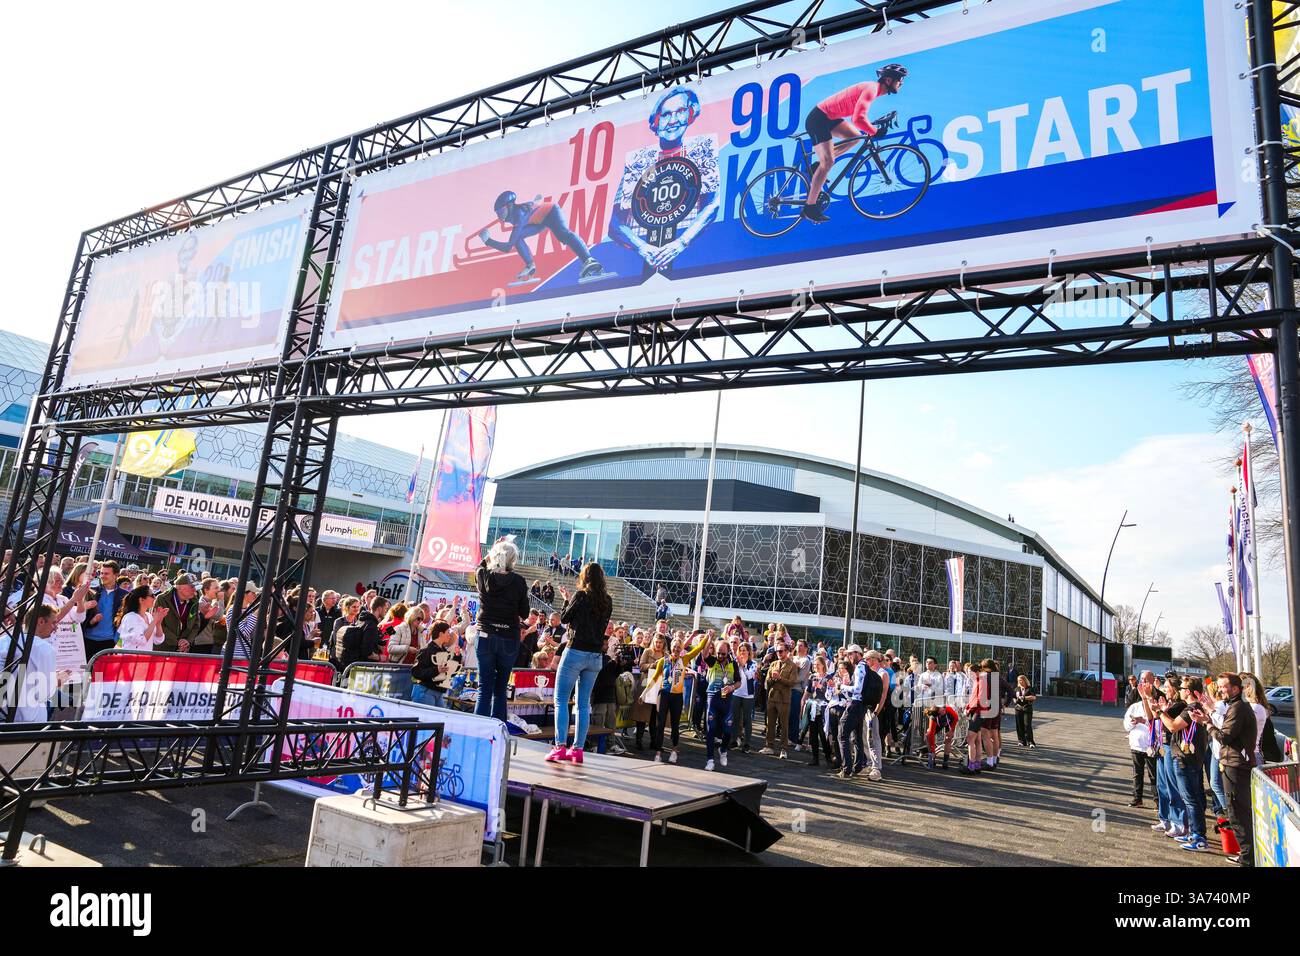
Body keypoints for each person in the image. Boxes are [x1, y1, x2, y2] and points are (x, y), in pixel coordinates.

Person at [609, 87, 720, 276]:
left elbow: (712, 204)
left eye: (681, 111)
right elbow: (615, 222)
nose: (673, 120)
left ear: (690, 115)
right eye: (666, 114)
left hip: (691, 255)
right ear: (656, 121)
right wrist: (642, 247)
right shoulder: (639, 159)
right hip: (636, 263)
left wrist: (680, 243)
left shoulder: (702, 148)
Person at [802, 63, 908, 221]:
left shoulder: (874, 89)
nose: (902, 83)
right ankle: (809, 208)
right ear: (887, 80)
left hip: (829, 117)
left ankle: (818, 165)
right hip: (819, 119)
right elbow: (858, 118)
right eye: (900, 79)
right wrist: (875, 131)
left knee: (855, 137)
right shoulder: (872, 89)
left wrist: (873, 127)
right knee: (828, 162)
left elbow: (859, 118)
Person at [547, 562, 613, 763]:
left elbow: (565, 619)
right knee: (583, 704)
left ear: (585, 577)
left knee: (560, 700)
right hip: (594, 656)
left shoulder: (581, 595)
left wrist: (567, 601)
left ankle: (559, 747)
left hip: (575, 651)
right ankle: (578, 750)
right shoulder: (607, 600)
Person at [1191, 673, 1257, 865]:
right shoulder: (1235, 706)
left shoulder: (1238, 708)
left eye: (1223, 687)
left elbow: (1223, 737)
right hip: (1232, 763)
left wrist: (1207, 723)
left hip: (1236, 766)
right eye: (1218, 687)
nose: (1219, 690)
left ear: (1235, 689)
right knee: (1235, 811)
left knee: (1237, 813)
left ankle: (1247, 858)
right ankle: (1246, 855)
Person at [478, 191, 605, 284]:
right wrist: (536, 202)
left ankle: (589, 260)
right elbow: (530, 206)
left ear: (509, 206)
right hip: (539, 221)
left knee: (563, 234)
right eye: (498, 214)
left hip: (551, 212)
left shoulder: (518, 215)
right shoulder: (514, 212)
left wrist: (487, 240)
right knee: (517, 237)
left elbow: (507, 247)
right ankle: (530, 265)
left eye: (501, 212)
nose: (499, 216)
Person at [474, 539, 531, 723]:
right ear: (513, 559)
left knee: (484, 689)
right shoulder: (519, 581)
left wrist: (493, 549)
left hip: (485, 635)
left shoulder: (484, 575)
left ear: (494, 556)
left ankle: (479, 734)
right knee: (500, 690)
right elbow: (524, 613)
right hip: (508, 636)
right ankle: (497, 734)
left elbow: (481, 565)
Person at [1160, 676, 1209, 852]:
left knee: (1191, 799)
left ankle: (1199, 837)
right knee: (1192, 798)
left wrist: (1160, 712)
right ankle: (1195, 834)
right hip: (1188, 759)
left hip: (1186, 760)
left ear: (1187, 691)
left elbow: (1173, 726)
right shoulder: (1194, 707)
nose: (1179, 691)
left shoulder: (1192, 707)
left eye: (1181, 688)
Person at [646, 631, 709, 764]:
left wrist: (708, 637)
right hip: (663, 694)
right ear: (671, 648)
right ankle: (658, 752)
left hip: (677, 696)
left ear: (681, 650)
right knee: (660, 724)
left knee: (675, 725)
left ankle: (674, 750)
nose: (676, 649)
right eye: (674, 647)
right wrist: (644, 693)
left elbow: (698, 649)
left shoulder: (684, 659)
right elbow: (655, 677)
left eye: (678, 648)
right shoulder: (663, 661)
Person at [699, 637, 741, 771]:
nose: (720, 656)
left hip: (727, 700)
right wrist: (709, 638)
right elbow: (704, 654)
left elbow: (739, 682)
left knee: (727, 731)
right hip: (712, 699)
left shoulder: (733, 664)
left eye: (723, 653)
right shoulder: (713, 661)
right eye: (718, 653)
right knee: (710, 731)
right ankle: (710, 760)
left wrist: (732, 688)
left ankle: (723, 750)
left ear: (728, 652)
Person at [1123, 672, 1160, 808]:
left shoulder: (1156, 703)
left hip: (1151, 745)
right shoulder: (1135, 706)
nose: (1143, 683)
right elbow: (1126, 725)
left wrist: (1143, 720)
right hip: (1136, 745)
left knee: (1154, 775)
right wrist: (1133, 722)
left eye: (1146, 680)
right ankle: (1137, 798)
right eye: (1142, 680)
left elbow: (1158, 725)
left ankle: (1157, 800)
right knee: (1137, 773)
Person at [762, 641, 798, 758]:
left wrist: (780, 678)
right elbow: (766, 682)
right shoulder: (773, 664)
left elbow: (792, 683)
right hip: (772, 697)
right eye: (777, 651)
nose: (778, 653)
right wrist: (772, 679)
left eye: (781, 651)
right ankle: (769, 746)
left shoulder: (792, 666)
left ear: (787, 652)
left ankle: (784, 749)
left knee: (783, 725)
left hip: (784, 699)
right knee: (770, 723)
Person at [82, 561, 125, 660]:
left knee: (99, 674)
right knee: (85, 673)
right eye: (101, 573)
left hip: (108, 642)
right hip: (87, 639)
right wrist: (91, 621)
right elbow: (81, 616)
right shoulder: (91, 591)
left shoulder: (124, 595)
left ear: (116, 575)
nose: (102, 576)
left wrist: (117, 641)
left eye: (106, 573)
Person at [411, 620, 459, 708]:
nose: (450, 635)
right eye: (448, 632)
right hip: (425, 692)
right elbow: (416, 672)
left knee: (439, 720)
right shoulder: (426, 650)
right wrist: (436, 670)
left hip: (438, 693)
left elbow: (449, 674)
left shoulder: (444, 651)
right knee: (427, 721)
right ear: (441, 634)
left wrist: (457, 657)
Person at [157, 573, 204, 653]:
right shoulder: (162, 598)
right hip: (163, 648)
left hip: (183, 650)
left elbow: (196, 624)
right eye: (192, 587)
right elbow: (158, 623)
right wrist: (177, 642)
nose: (195, 590)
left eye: (195, 587)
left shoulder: (194, 600)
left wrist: (187, 641)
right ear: (179, 587)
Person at [116, 585, 168, 651]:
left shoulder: (149, 616)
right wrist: (155, 620)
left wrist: (158, 622)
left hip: (144, 659)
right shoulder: (130, 618)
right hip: (130, 659)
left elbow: (158, 640)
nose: (155, 598)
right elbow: (141, 640)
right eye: (152, 595)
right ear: (141, 599)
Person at [731, 641, 759, 754]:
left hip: (748, 695)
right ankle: (733, 740)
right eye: (740, 650)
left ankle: (747, 743)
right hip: (736, 693)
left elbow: (749, 676)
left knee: (747, 720)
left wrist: (742, 665)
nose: (742, 652)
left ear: (749, 652)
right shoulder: (735, 663)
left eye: (744, 650)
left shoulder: (753, 663)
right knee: (735, 719)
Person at [1013, 674, 1037, 747]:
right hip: (1018, 708)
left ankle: (1030, 742)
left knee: (1027, 725)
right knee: (1019, 725)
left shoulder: (1030, 688)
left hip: (1027, 708)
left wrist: (1024, 697)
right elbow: (1014, 698)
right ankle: (1021, 741)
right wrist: (1016, 700)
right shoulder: (1016, 689)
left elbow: (1033, 697)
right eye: (1018, 681)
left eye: (1021, 680)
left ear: (1025, 680)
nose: (1020, 682)